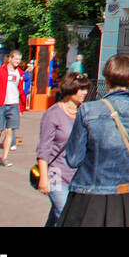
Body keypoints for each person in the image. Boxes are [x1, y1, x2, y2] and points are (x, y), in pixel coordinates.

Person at [60, 54, 129, 227]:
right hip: (125, 195)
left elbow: (73, 159)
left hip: (88, 192)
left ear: (107, 80)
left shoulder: (88, 110)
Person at [37, 72, 91, 227]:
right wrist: (43, 178)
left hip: (78, 176)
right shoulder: (53, 114)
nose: (85, 93)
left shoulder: (85, 113)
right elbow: (44, 148)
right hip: (56, 174)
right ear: (70, 88)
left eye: (86, 89)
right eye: (81, 89)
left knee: (58, 217)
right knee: (67, 217)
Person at [0, 49, 27, 167]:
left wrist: (21, 108)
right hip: (1, 104)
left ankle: (4, 158)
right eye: (16, 59)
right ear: (10, 58)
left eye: (19, 60)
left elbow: (21, 91)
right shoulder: (0, 71)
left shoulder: (20, 73)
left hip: (14, 105)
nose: (17, 61)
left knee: (10, 131)